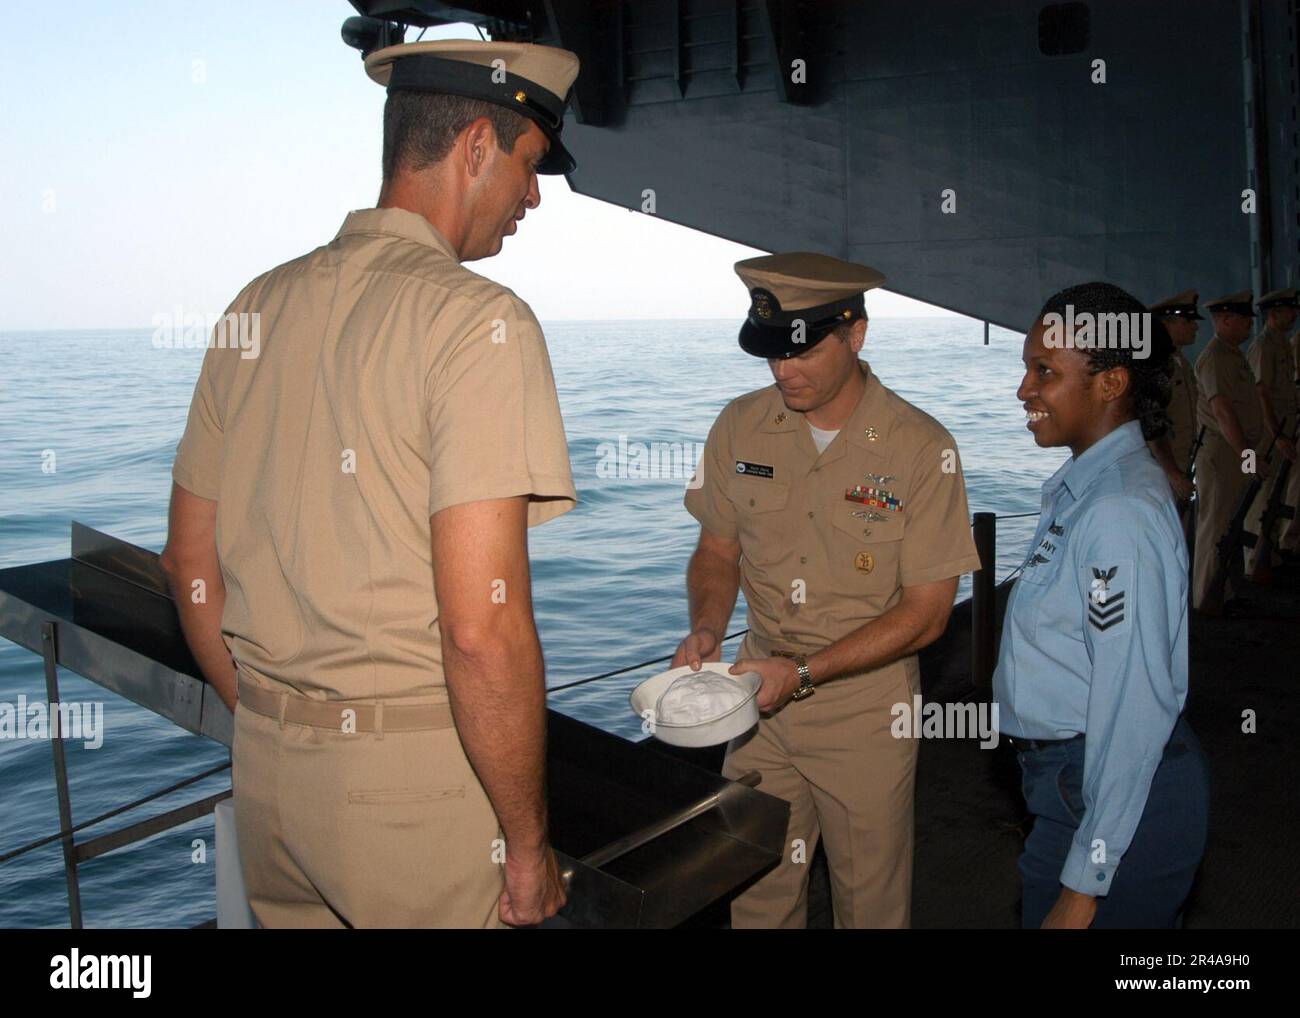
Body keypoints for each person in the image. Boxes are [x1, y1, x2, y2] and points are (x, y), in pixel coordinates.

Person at [160, 39, 581, 928]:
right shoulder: (479, 324)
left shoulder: (254, 305)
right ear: (475, 147)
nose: (534, 197)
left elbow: (189, 564)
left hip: (270, 781)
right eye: (530, 164)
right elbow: (482, 628)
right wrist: (528, 845)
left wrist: (277, 725)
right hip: (412, 806)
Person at [673, 252, 982, 928]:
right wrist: (704, 626)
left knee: (869, 905)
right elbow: (718, 549)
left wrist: (805, 672)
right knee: (755, 894)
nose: (784, 370)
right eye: (771, 354)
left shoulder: (920, 448)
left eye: (802, 350)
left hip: (864, 710)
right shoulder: (739, 425)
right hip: (756, 701)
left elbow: (928, 614)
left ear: (856, 332)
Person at [994, 281, 1209, 929]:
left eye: (1045, 371)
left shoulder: (1117, 511)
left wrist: (1087, 884)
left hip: (1114, 804)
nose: (1024, 389)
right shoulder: (1091, 489)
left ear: (1110, 383)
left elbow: (1133, 705)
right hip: (1075, 791)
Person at [1190, 290, 1266, 613]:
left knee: (1230, 525)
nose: (1250, 325)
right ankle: (1206, 598)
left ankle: (1226, 592)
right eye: (1244, 320)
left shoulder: (1233, 355)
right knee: (1216, 527)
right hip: (1223, 456)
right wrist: (1249, 458)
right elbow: (1222, 412)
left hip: (1234, 454)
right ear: (1225, 320)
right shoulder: (1216, 357)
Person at [1245, 287, 1300, 570]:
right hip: (1269, 434)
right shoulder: (1265, 346)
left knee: (1276, 495)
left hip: (1282, 429)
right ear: (1273, 314)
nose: (1294, 314)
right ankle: (1253, 561)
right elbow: (1261, 393)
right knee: (1261, 495)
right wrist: (1277, 435)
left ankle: (1270, 554)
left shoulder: (1281, 344)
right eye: (1289, 309)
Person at [1145, 290, 1202, 508]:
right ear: (1167, 324)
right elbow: (1152, 423)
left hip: (1182, 462)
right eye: (1188, 321)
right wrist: (1173, 474)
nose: (1195, 327)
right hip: (1161, 470)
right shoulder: (1154, 364)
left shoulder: (1180, 362)